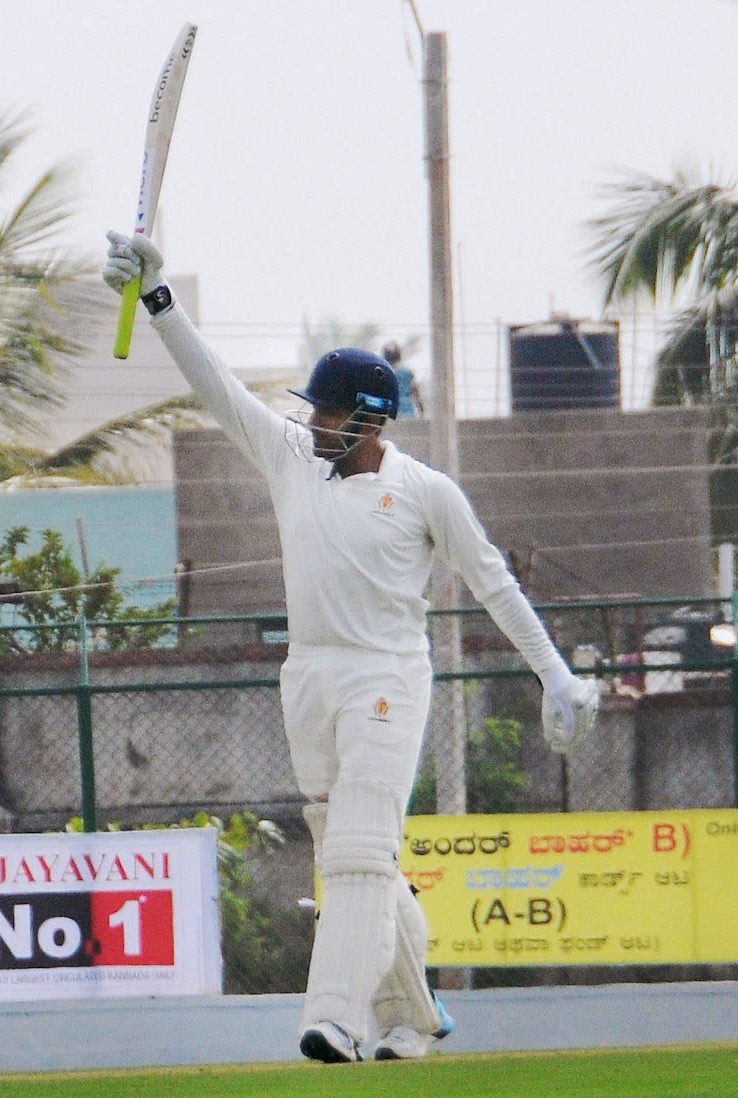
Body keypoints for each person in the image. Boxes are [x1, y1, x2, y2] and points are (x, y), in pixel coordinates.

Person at [103, 232, 600, 1065]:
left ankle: (336, 1017)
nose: (312, 421)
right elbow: (219, 389)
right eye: (313, 409)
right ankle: (415, 1016)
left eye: (328, 411)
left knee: (363, 851)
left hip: (386, 677)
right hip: (309, 677)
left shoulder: (424, 492)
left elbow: (493, 584)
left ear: (370, 417)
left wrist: (556, 674)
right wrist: (158, 300)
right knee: (343, 845)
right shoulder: (292, 457)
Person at [382, 340, 424, 418]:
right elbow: (416, 393)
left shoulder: (383, 373)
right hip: (407, 412)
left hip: (390, 412)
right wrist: (422, 412)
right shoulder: (407, 372)